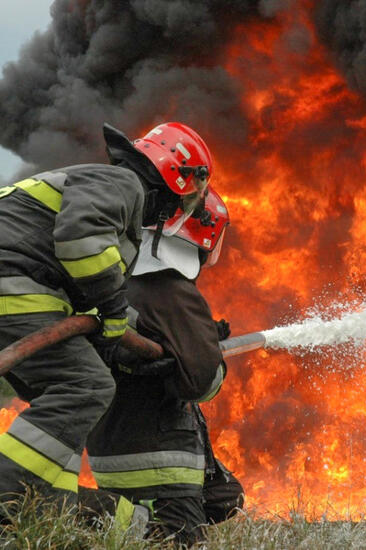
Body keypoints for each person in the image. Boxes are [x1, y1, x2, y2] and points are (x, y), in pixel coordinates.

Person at [0, 121, 214, 547]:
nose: (181, 208)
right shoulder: (123, 184)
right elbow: (82, 243)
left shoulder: (105, 187)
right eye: (190, 195)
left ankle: (40, 509)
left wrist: (130, 339)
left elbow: (84, 291)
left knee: (60, 401)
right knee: (85, 386)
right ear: (177, 177)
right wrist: (116, 314)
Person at [85, 188, 244, 546]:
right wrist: (210, 355)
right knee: (177, 540)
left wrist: (194, 343)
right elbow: (202, 383)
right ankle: (88, 512)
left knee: (226, 498)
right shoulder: (171, 288)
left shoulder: (118, 283)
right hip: (158, 458)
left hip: (111, 449)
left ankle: (129, 522)